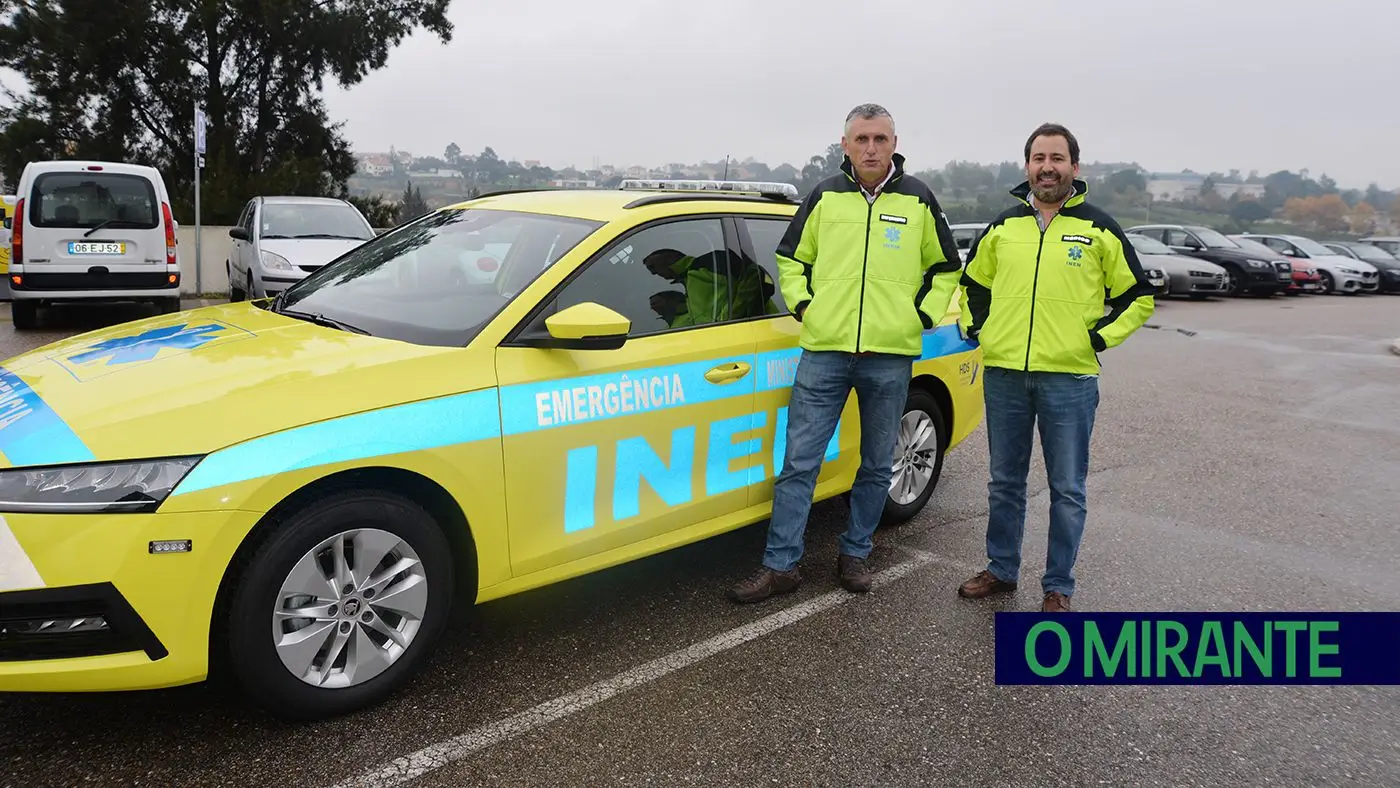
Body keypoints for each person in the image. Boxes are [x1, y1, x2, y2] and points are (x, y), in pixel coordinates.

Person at [728, 103, 963, 603]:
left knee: (879, 463)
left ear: (894, 144)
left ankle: (855, 552)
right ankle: (781, 565)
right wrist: (806, 306)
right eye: (862, 140)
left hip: (889, 354)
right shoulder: (825, 196)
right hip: (825, 350)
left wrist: (919, 317)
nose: (871, 148)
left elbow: (946, 268)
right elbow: (791, 258)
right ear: (846, 146)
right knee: (800, 463)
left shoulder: (919, 200)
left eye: (880, 139)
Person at [956, 123, 1155, 612]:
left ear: (1074, 167)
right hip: (1005, 375)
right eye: (1039, 158)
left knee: (1067, 487)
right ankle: (1001, 569)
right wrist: (981, 329)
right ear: (1027, 166)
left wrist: (1097, 338)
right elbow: (972, 284)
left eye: (1057, 158)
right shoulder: (1003, 226)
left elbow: (1138, 297)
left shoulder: (1099, 229)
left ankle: (1058, 585)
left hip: (1069, 379)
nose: (1048, 167)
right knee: (1005, 482)